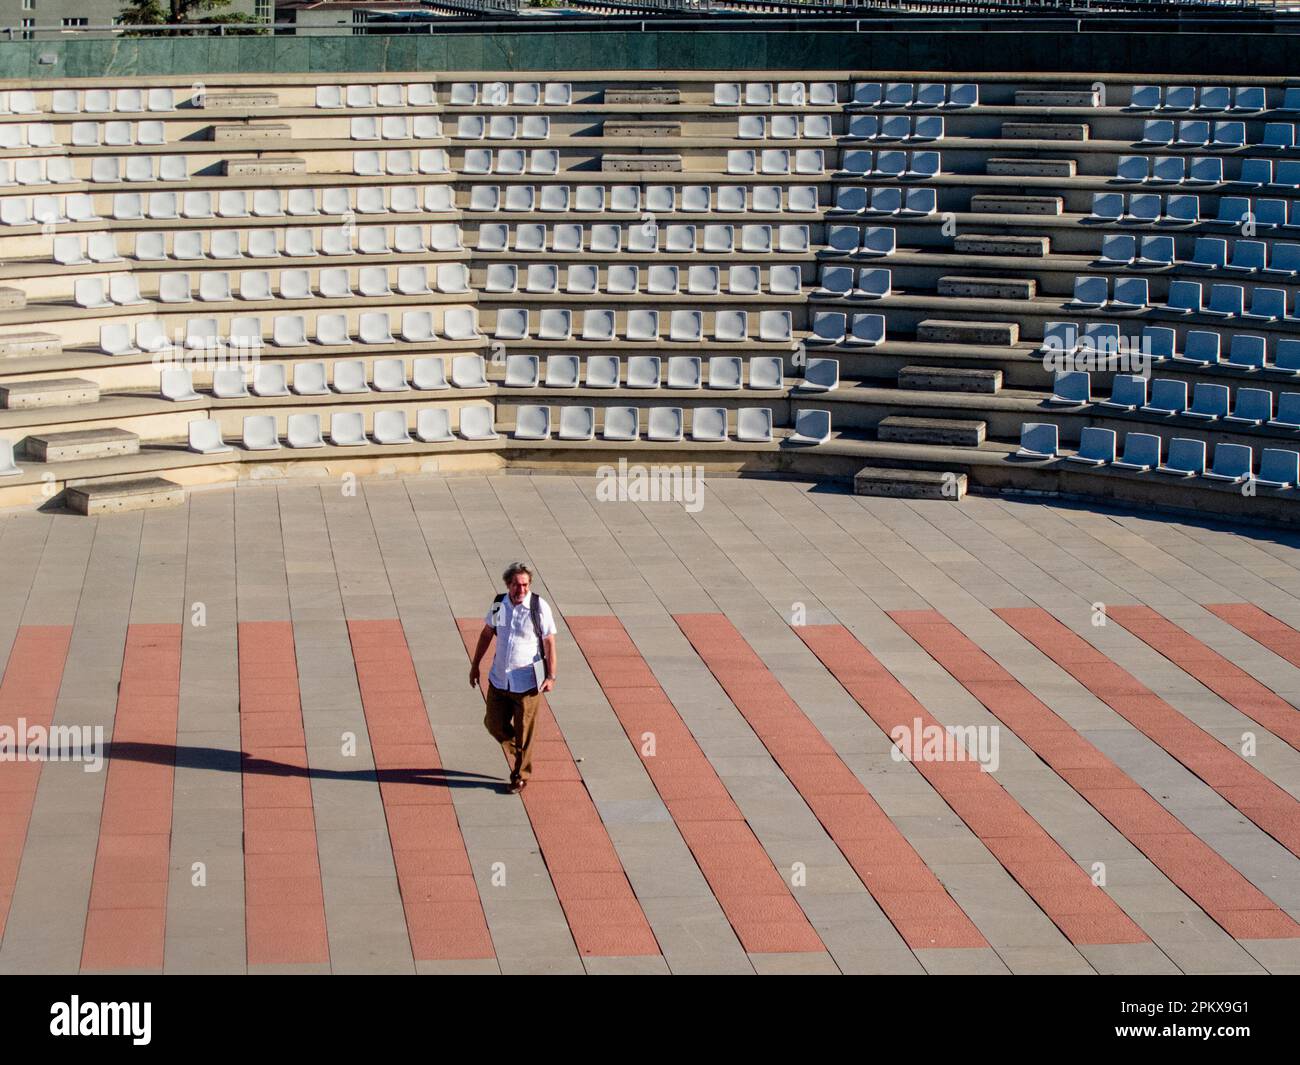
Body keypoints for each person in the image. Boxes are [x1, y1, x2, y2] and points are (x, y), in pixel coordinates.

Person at [469, 562, 557, 793]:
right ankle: (521, 752)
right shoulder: (500, 604)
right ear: (508, 585)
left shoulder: (538, 607)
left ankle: (520, 776)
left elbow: (549, 642)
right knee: (493, 723)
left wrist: (551, 676)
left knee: (525, 730)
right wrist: (475, 664)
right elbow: (487, 633)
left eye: (525, 585)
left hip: (527, 683)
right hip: (499, 680)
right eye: (517, 585)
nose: (521, 590)